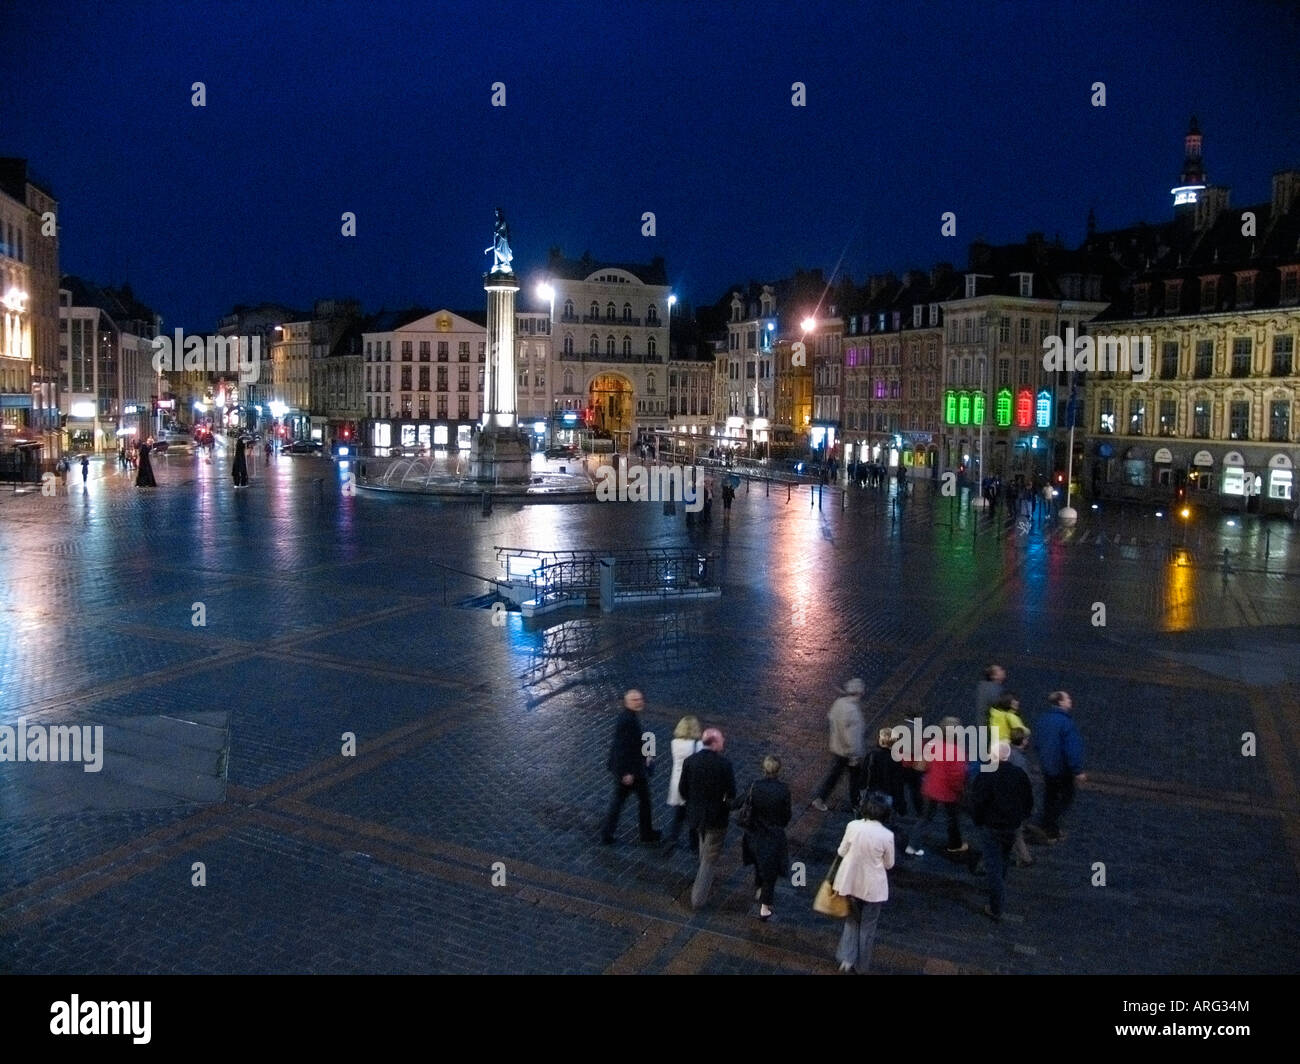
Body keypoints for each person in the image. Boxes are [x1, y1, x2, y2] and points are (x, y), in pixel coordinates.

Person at [969, 741, 1034, 921]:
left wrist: (978, 820)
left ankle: (996, 905)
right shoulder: (1018, 774)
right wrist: (1022, 817)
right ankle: (999, 886)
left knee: (993, 864)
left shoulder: (986, 774)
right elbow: (1028, 799)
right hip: (1012, 826)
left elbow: (978, 800)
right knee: (1004, 858)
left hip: (991, 826)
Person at [832, 794, 895, 973]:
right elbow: (889, 864)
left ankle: (847, 959)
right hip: (873, 888)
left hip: (850, 883)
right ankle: (862, 966)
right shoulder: (887, 835)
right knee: (868, 927)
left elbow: (841, 851)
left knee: (851, 921)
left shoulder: (853, 826)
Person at [678, 727, 736, 909]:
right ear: (714, 742)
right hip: (716, 817)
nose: (724, 742)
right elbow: (731, 792)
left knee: (704, 842)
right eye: (722, 740)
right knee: (710, 858)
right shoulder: (724, 765)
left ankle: (701, 869)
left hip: (695, 815)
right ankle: (698, 899)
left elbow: (682, 789)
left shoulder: (690, 761)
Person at [601, 690, 660, 845]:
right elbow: (622, 749)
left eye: (640, 699)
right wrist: (626, 772)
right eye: (635, 700)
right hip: (630, 771)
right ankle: (644, 833)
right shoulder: (628, 721)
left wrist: (645, 755)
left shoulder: (628, 717)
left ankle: (643, 832)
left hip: (631, 769)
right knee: (635, 801)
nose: (639, 702)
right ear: (627, 702)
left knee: (627, 801)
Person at [740, 755, 792, 920]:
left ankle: (759, 887)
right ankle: (765, 906)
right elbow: (786, 816)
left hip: (754, 834)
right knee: (771, 872)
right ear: (778, 770)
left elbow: (742, 802)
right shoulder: (783, 790)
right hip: (773, 836)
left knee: (758, 861)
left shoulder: (754, 786)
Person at [1035, 691, 1086, 842]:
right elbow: (1072, 748)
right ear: (1060, 702)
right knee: (1066, 796)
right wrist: (1078, 770)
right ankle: (1050, 825)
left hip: (1047, 765)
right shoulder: (1067, 723)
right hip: (1061, 768)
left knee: (1049, 795)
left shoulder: (1043, 719)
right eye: (1067, 698)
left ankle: (1046, 821)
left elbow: (1038, 742)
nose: (1070, 700)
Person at [810, 678, 866, 812]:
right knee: (855, 780)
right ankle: (856, 804)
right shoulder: (853, 711)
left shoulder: (839, 702)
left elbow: (831, 717)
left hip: (837, 747)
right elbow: (853, 737)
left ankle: (820, 798)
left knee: (834, 775)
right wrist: (854, 754)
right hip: (849, 752)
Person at [921, 716, 968, 854]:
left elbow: (923, 765)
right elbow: (957, 775)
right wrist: (960, 790)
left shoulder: (933, 744)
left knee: (926, 818)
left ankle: (914, 843)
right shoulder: (957, 750)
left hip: (931, 787)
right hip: (949, 791)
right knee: (952, 819)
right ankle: (954, 845)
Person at [666, 715, 703, 849]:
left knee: (678, 814)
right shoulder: (698, 745)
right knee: (693, 816)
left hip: (677, 782)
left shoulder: (674, 743)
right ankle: (693, 844)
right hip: (690, 784)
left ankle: (672, 837)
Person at [1007, 727, 1035, 867]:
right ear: (1022, 741)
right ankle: (1024, 858)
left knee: (1014, 831)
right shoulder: (1020, 760)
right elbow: (1025, 782)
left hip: (1008, 797)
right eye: (1026, 739)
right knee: (1015, 831)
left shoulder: (1009, 753)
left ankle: (1024, 857)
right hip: (1015, 799)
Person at [975, 664, 1005, 729]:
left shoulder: (983, 687)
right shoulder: (992, 689)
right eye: (1000, 670)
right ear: (993, 676)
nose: (1003, 671)